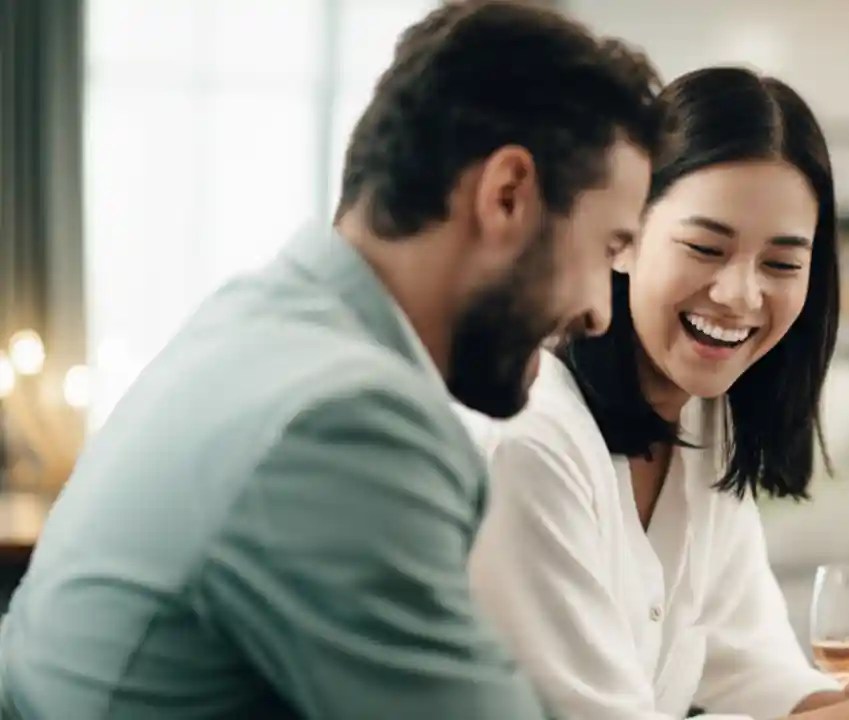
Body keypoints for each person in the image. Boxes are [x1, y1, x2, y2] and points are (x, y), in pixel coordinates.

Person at [0, 2, 658, 718]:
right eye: (609, 249)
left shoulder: (255, 323)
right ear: (506, 196)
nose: (599, 310)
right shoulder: (351, 422)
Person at [467, 67, 849, 720]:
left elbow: (764, 680)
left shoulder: (705, 422)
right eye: (705, 247)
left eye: (782, 263)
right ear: (624, 238)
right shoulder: (535, 439)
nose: (741, 296)